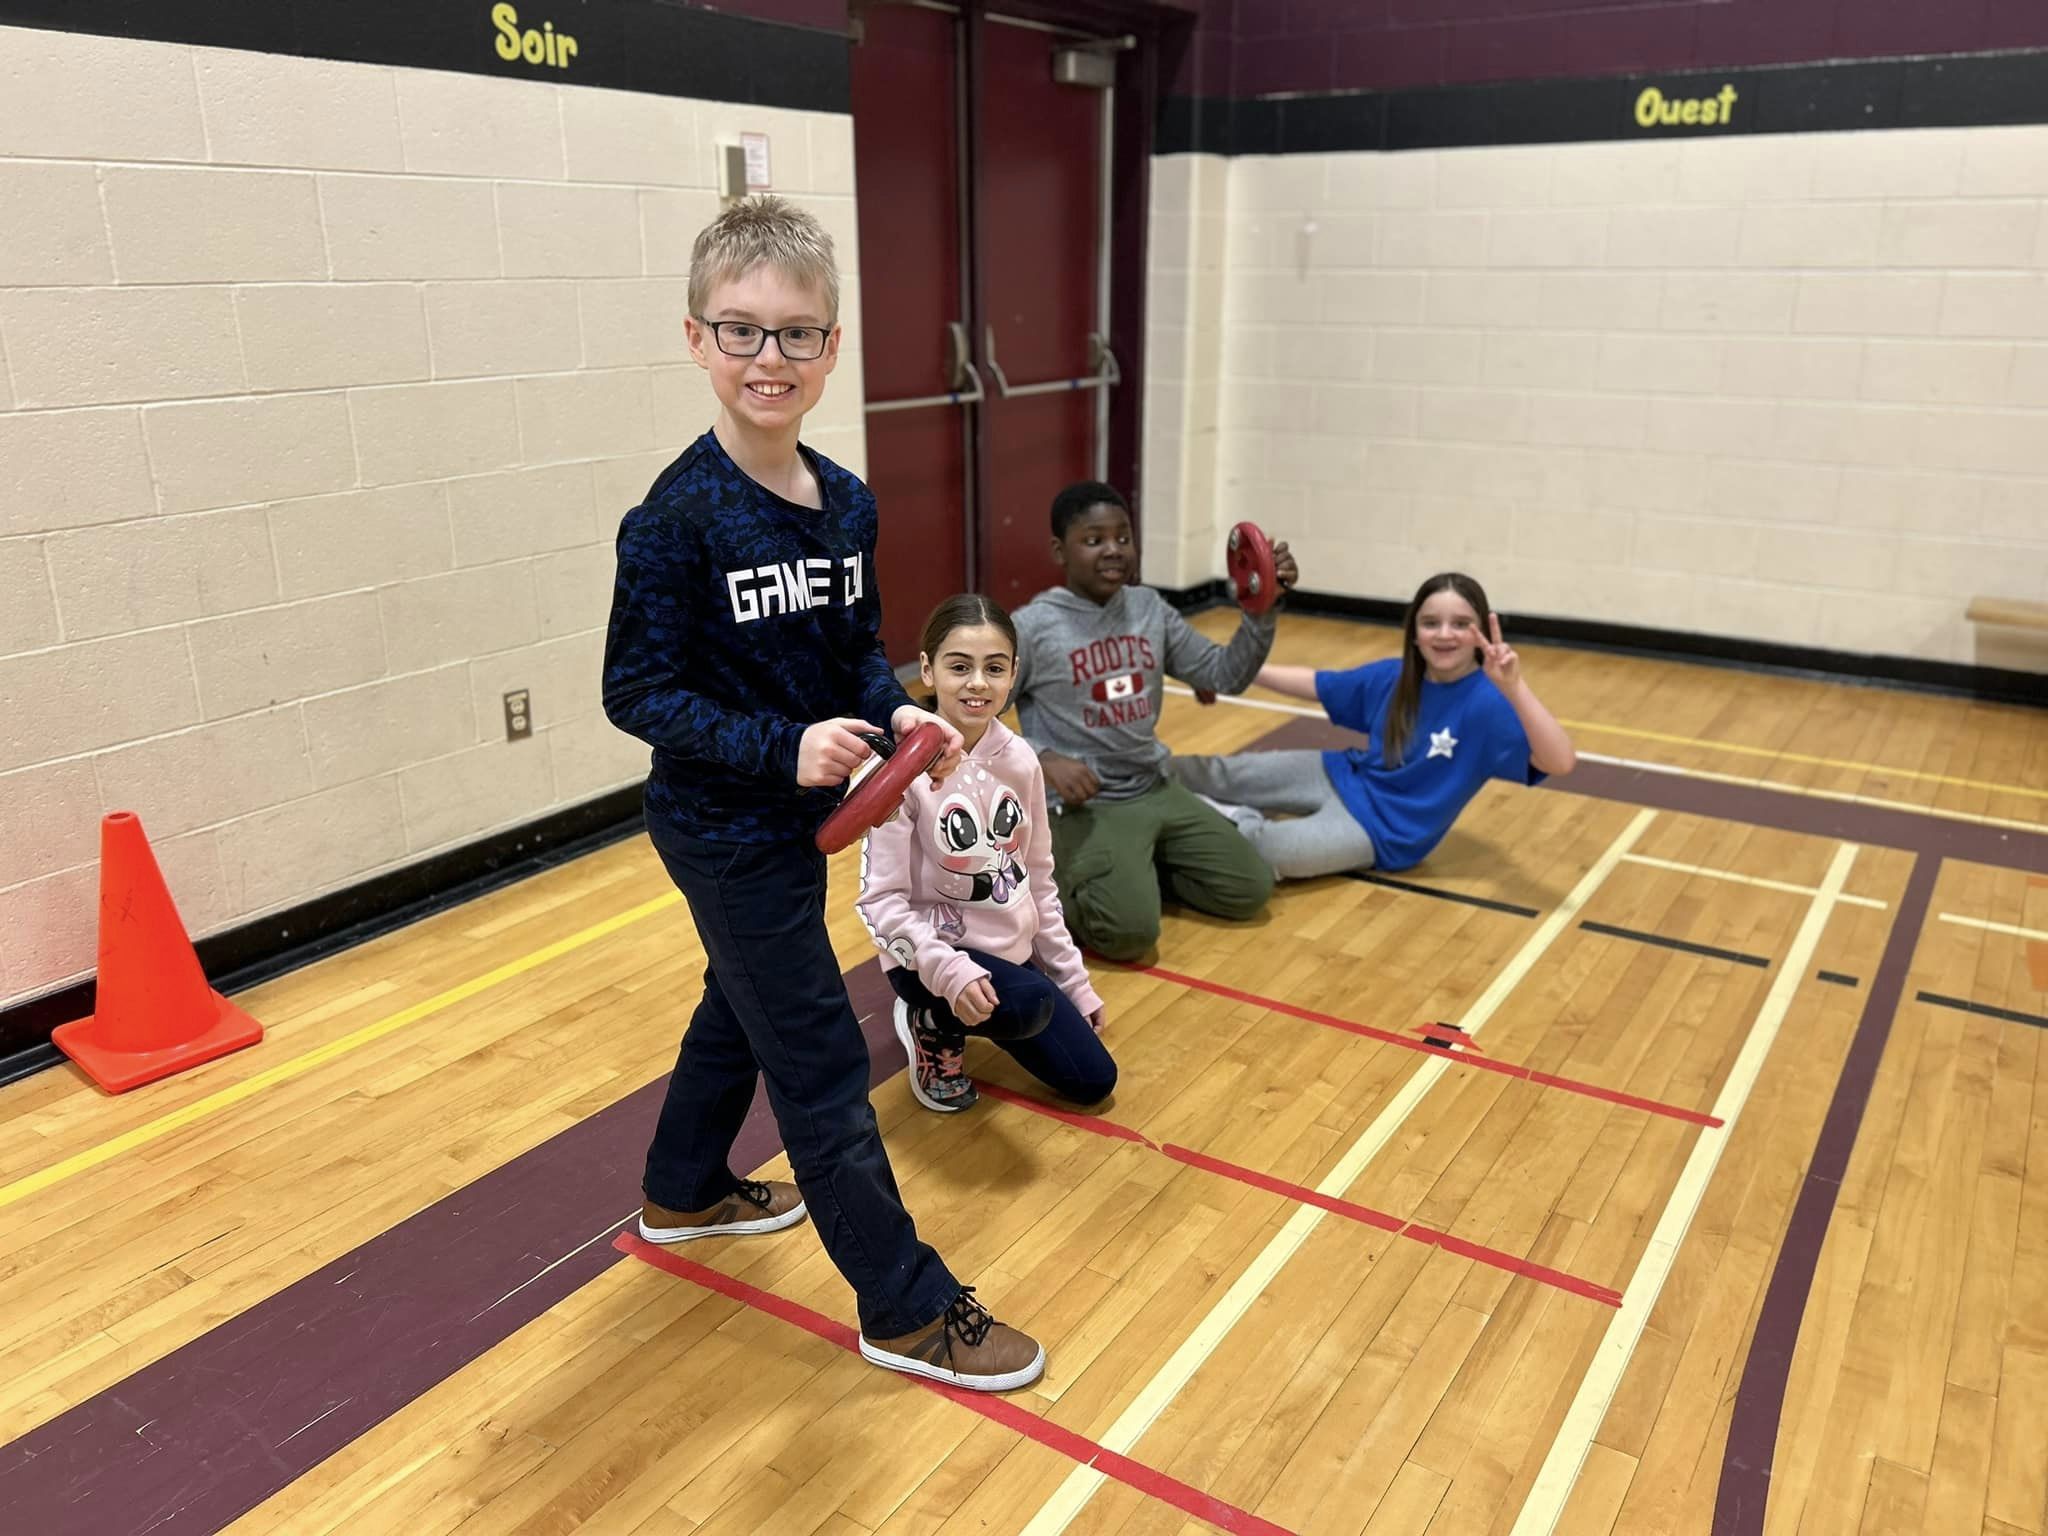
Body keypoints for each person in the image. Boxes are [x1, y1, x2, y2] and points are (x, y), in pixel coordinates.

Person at [600, 195, 1042, 1392]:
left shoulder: (846, 502)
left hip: (801, 822)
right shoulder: (674, 521)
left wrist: (896, 708)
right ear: (695, 339)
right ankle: (900, 1306)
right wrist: (776, 749)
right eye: (739, 332)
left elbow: (852, 649)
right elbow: (633, 694)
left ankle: (683, 1191)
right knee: (816, 1063)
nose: (767, 359)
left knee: (736, 1006)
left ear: (832, 346)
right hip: (718, 827)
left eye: (796, 334)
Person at [1009, 481, 1299, 962]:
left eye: (1123, 538)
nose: (1113, 551)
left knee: (1249, 888)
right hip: (1084, 805)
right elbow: (971, 719)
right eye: (1094, 539)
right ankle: (1050, 885)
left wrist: (1261, 611)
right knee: (1128, 937)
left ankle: (1134, 865)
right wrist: (1042, 758)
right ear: (1060, 550)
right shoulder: (1031, 627)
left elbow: (1223, 675)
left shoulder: (1150, 610)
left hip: (1155, 786)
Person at [857, 595, 1117, 1115]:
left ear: (1013, 674)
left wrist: (1075, 982)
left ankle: (1001, 1000)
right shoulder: (895, 769)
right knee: (1026, 1003)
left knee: (1094, 1080)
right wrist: (948, 971)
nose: (977, 683)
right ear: (927, 670)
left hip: (1010, 957)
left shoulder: (1021, 760)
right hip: (930, 958)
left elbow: (1037, 880)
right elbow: (879, 903)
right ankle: (930, 1022)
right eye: (959, 666)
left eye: (994, 668)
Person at [1171, 572, 1575, 879]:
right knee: (1216, 772)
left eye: (1460, 623)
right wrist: (1231, 667)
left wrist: (1516, 687)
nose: (1444, 634)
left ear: (1481, 633)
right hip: (1338, 774)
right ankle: (1138, 783)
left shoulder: (1489, 703)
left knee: (1258, 851)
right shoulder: (1394, 676)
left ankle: (1223, 814)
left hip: (1382, 832)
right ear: (1415, 634)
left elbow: (1560, 763)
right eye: (1431, 623)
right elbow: (1316, 683)